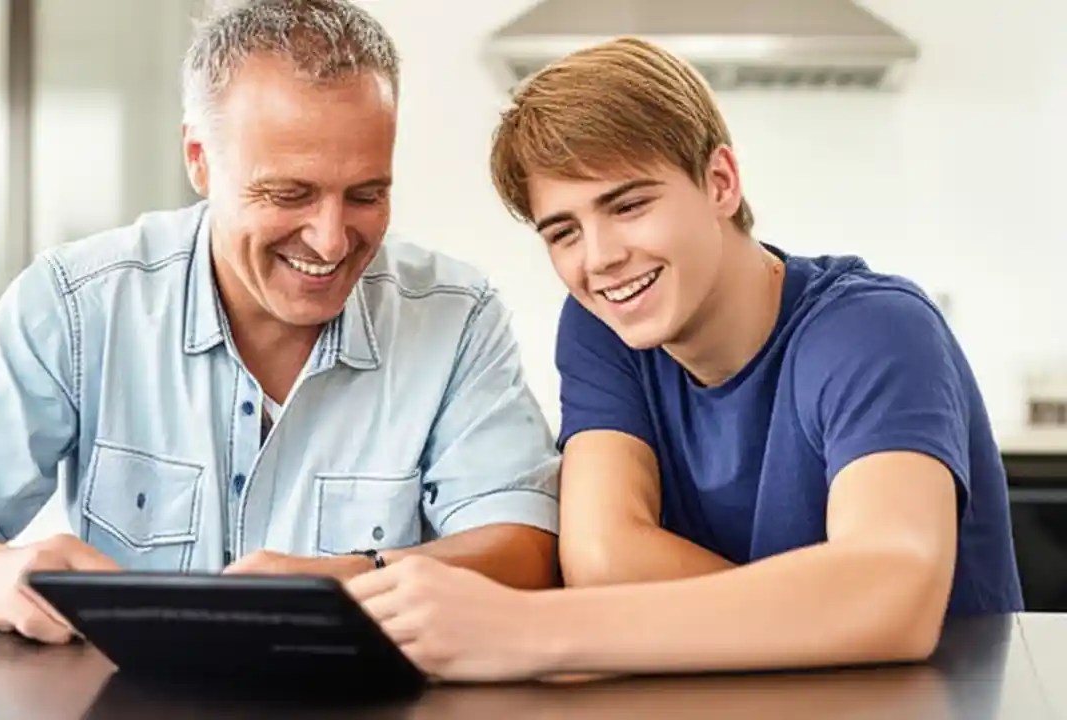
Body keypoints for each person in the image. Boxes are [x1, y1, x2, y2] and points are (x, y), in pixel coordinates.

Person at [0, 0, 560, 645]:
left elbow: (523, 549)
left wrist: (354, 576)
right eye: (290, 193)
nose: (331, 238)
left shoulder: (456, 317)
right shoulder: (77, 304)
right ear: (199, 159)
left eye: (366, 195)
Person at [348, 36, 1023, 681]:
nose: (601, 257)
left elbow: (890, 592)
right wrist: (822, 615)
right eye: (565, 232)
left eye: (630, 205)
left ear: (721, 182)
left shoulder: (875, 328)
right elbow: (604, 556)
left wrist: (521, 629)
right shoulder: (602, 329)